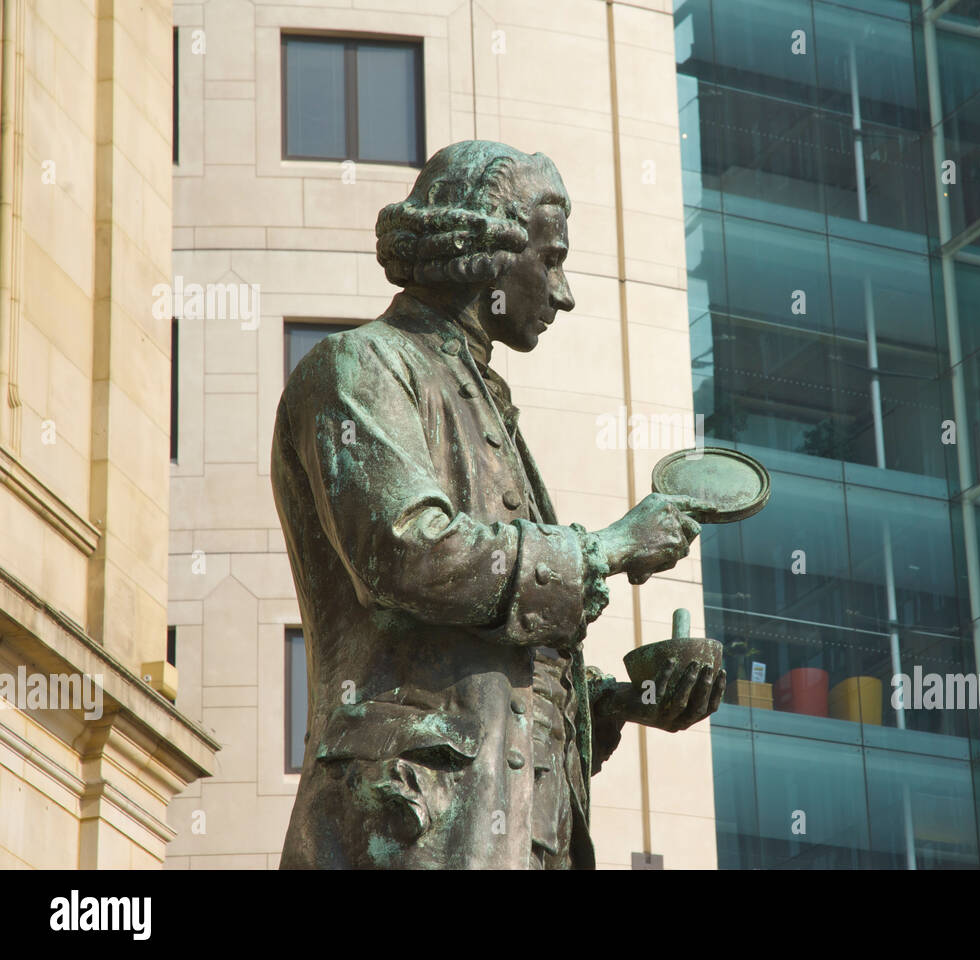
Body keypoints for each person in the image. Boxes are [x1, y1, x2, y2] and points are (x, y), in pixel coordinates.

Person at [272, 141, 725, 869]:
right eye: (550, 260)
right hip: (411, 827)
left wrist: (618, 703)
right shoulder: (358, 366)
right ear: (486, 252)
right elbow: (406, 552)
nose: (564, 292)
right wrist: (605, 548)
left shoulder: (486, 402)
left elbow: (505, 681)